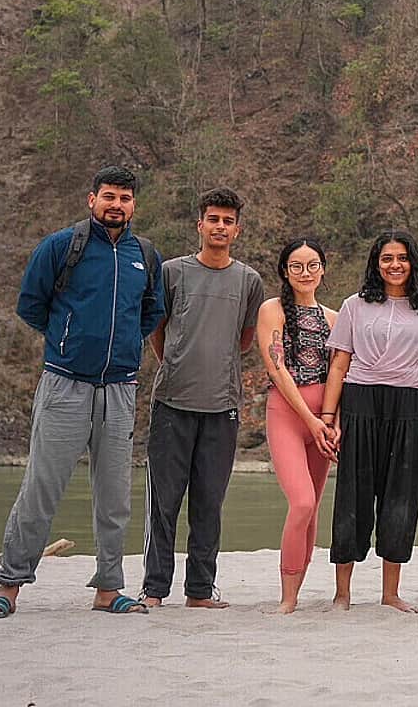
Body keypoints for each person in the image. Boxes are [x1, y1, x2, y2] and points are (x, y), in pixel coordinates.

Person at [0, 165, 164, 619]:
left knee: (115, 496)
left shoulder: (143, 255)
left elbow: (151, 313)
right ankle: (8, 586)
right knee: (41, 487)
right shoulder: (61, 247)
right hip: (64, 383)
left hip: (120, 389)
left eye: (125, 198)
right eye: (109, 196)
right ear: (92, 199)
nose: (116, 204)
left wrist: (124, 349)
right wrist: (66, 340)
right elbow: (31, 304)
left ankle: (109, 589)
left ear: (134, 205)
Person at [141, 187, 264, 609]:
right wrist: (173, 361)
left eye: (228, 221)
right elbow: (157, 328)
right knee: (164, 502)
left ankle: (199, 591)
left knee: (209, 503)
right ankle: (154, 589)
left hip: (222, 406)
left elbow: (245, 340)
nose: (220, 227)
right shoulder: (172, 272)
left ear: (237, 229)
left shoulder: (248, 281)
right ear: (200, 224)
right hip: (172, 403)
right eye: (213, 219)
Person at [320, 231, 418, 612]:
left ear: (413, 262)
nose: (395, 265)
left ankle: (390, 593)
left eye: (402, 258)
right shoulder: (353, 307)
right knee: (352, 496)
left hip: (408, 406)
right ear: (376, 263)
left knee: (400, 499)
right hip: (360, 401)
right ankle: (343, 593)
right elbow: (339, 364)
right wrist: (329, 418)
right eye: (387, 258)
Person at [255, 239, 338, 614]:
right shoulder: (272, 310)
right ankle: (287, 597)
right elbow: (276, 367)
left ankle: (298, 589)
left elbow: (341, 372)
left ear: (322, 269)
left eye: (312, 265)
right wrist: (310, 418)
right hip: (289, 414)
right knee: (301, 502)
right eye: (297, 266)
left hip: (326, 418)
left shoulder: (335, 318)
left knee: (314, 507)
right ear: (285, 271)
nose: (305, 273)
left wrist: (333, 422)